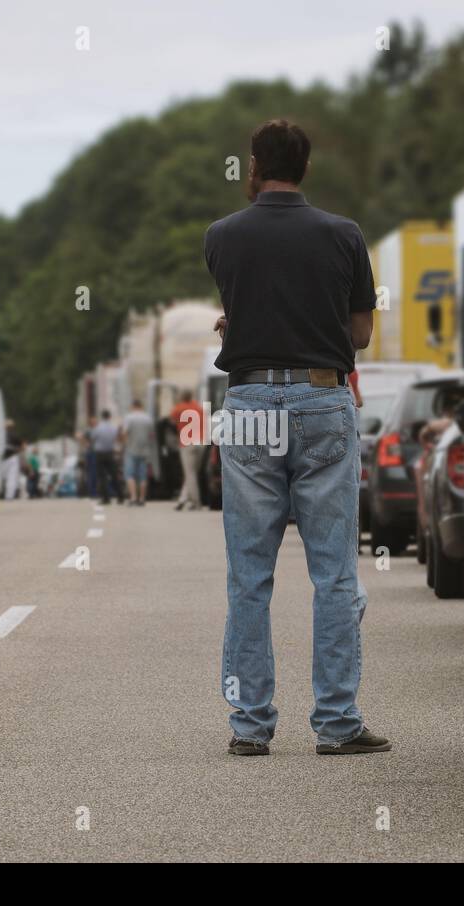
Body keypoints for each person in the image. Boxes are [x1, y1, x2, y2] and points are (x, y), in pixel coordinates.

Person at [205, 118, 389, 756]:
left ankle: (250, 726)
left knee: (248, 576)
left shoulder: (221, 236)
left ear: (254, 166)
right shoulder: (344, 234)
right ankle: (337, 724)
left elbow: (252, 310)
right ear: (306, 168)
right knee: (334, 574)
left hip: (250, 402)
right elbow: (359, 334)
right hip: (321, 400)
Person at [170, 389, 204, 510]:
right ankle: (183, 499)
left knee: (190, 474)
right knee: (192, 473)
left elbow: (172, 423)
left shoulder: (178, 408)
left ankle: (196, 502)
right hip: (201, 442)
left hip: (187, 444)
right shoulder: (199, 407)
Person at [121, 399, 154, 506]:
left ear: (133, 406)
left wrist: (125, 444)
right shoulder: (148, 418)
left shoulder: (129, 417)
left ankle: (133, 497)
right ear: (141, 406)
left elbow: (124, 433)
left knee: (129, 474)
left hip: (131, 450)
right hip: (144, 451)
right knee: (143, 476)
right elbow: (151, 435)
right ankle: (142, 499)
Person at [88, 410, 121, 504]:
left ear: (102, 417)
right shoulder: (114, 428)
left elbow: (92, 439)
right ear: (109, 417)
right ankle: (120, 496)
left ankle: (106, 498)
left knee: (102, 476)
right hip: (110, 453)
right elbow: (117, 438)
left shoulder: (97, 428)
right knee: (114, 475)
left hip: (100, 453)